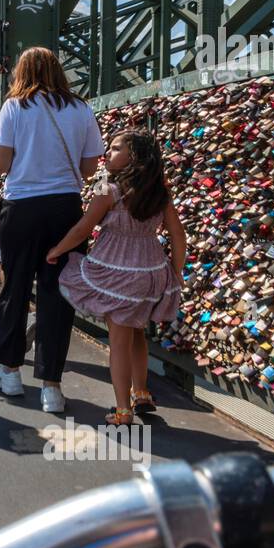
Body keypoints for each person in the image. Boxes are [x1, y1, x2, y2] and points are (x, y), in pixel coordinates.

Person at [0, 46, 104, 413]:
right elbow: (87, 170)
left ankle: (10, 372)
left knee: (15, 288)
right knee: (57, 295)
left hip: (21, 207)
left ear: (22, 72)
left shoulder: (14, 107)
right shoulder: (81, 108)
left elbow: (0, 165)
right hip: (64, 210)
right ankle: (51, 386)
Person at [46, 131, 186, 425]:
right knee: (137, 333)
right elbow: (177, 234)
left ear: (133, 157)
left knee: (119, 341)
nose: (107, 153)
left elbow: (85, 227)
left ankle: (123, 410)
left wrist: (57, 249)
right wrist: (175, 271)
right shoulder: (159, 191)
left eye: (115, 148)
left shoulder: (108, 190)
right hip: (151, 274)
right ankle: (142, 391)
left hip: (117, 274)